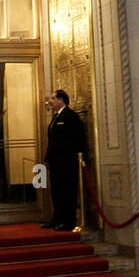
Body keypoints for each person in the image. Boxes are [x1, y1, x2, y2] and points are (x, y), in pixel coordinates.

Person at [42, 89, 86, 231]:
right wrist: (48, 159)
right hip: (55, 162)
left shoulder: (70, 116)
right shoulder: (55, 117)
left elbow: (76, 139)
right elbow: (52, 141)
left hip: (67, 162)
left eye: (54, 98)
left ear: (61, 100)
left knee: (67, 192)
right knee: (57, 191)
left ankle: (68, 222)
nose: (51, 101)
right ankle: (57, 219)